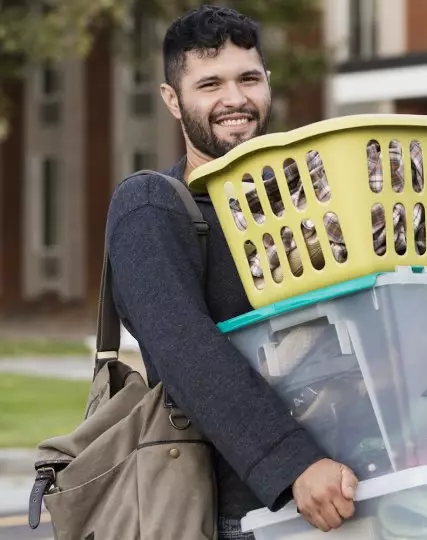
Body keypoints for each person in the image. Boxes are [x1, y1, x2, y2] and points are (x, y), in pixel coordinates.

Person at [104, 5, 359, 538]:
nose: (235, 99)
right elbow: (186, 350)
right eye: (209, 84)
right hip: (243, 512)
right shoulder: (153, 206)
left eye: (248, 78)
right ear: (173, 100)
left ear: (268, 83)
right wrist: (293, 464)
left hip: (351, 487)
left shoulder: (302, 201)